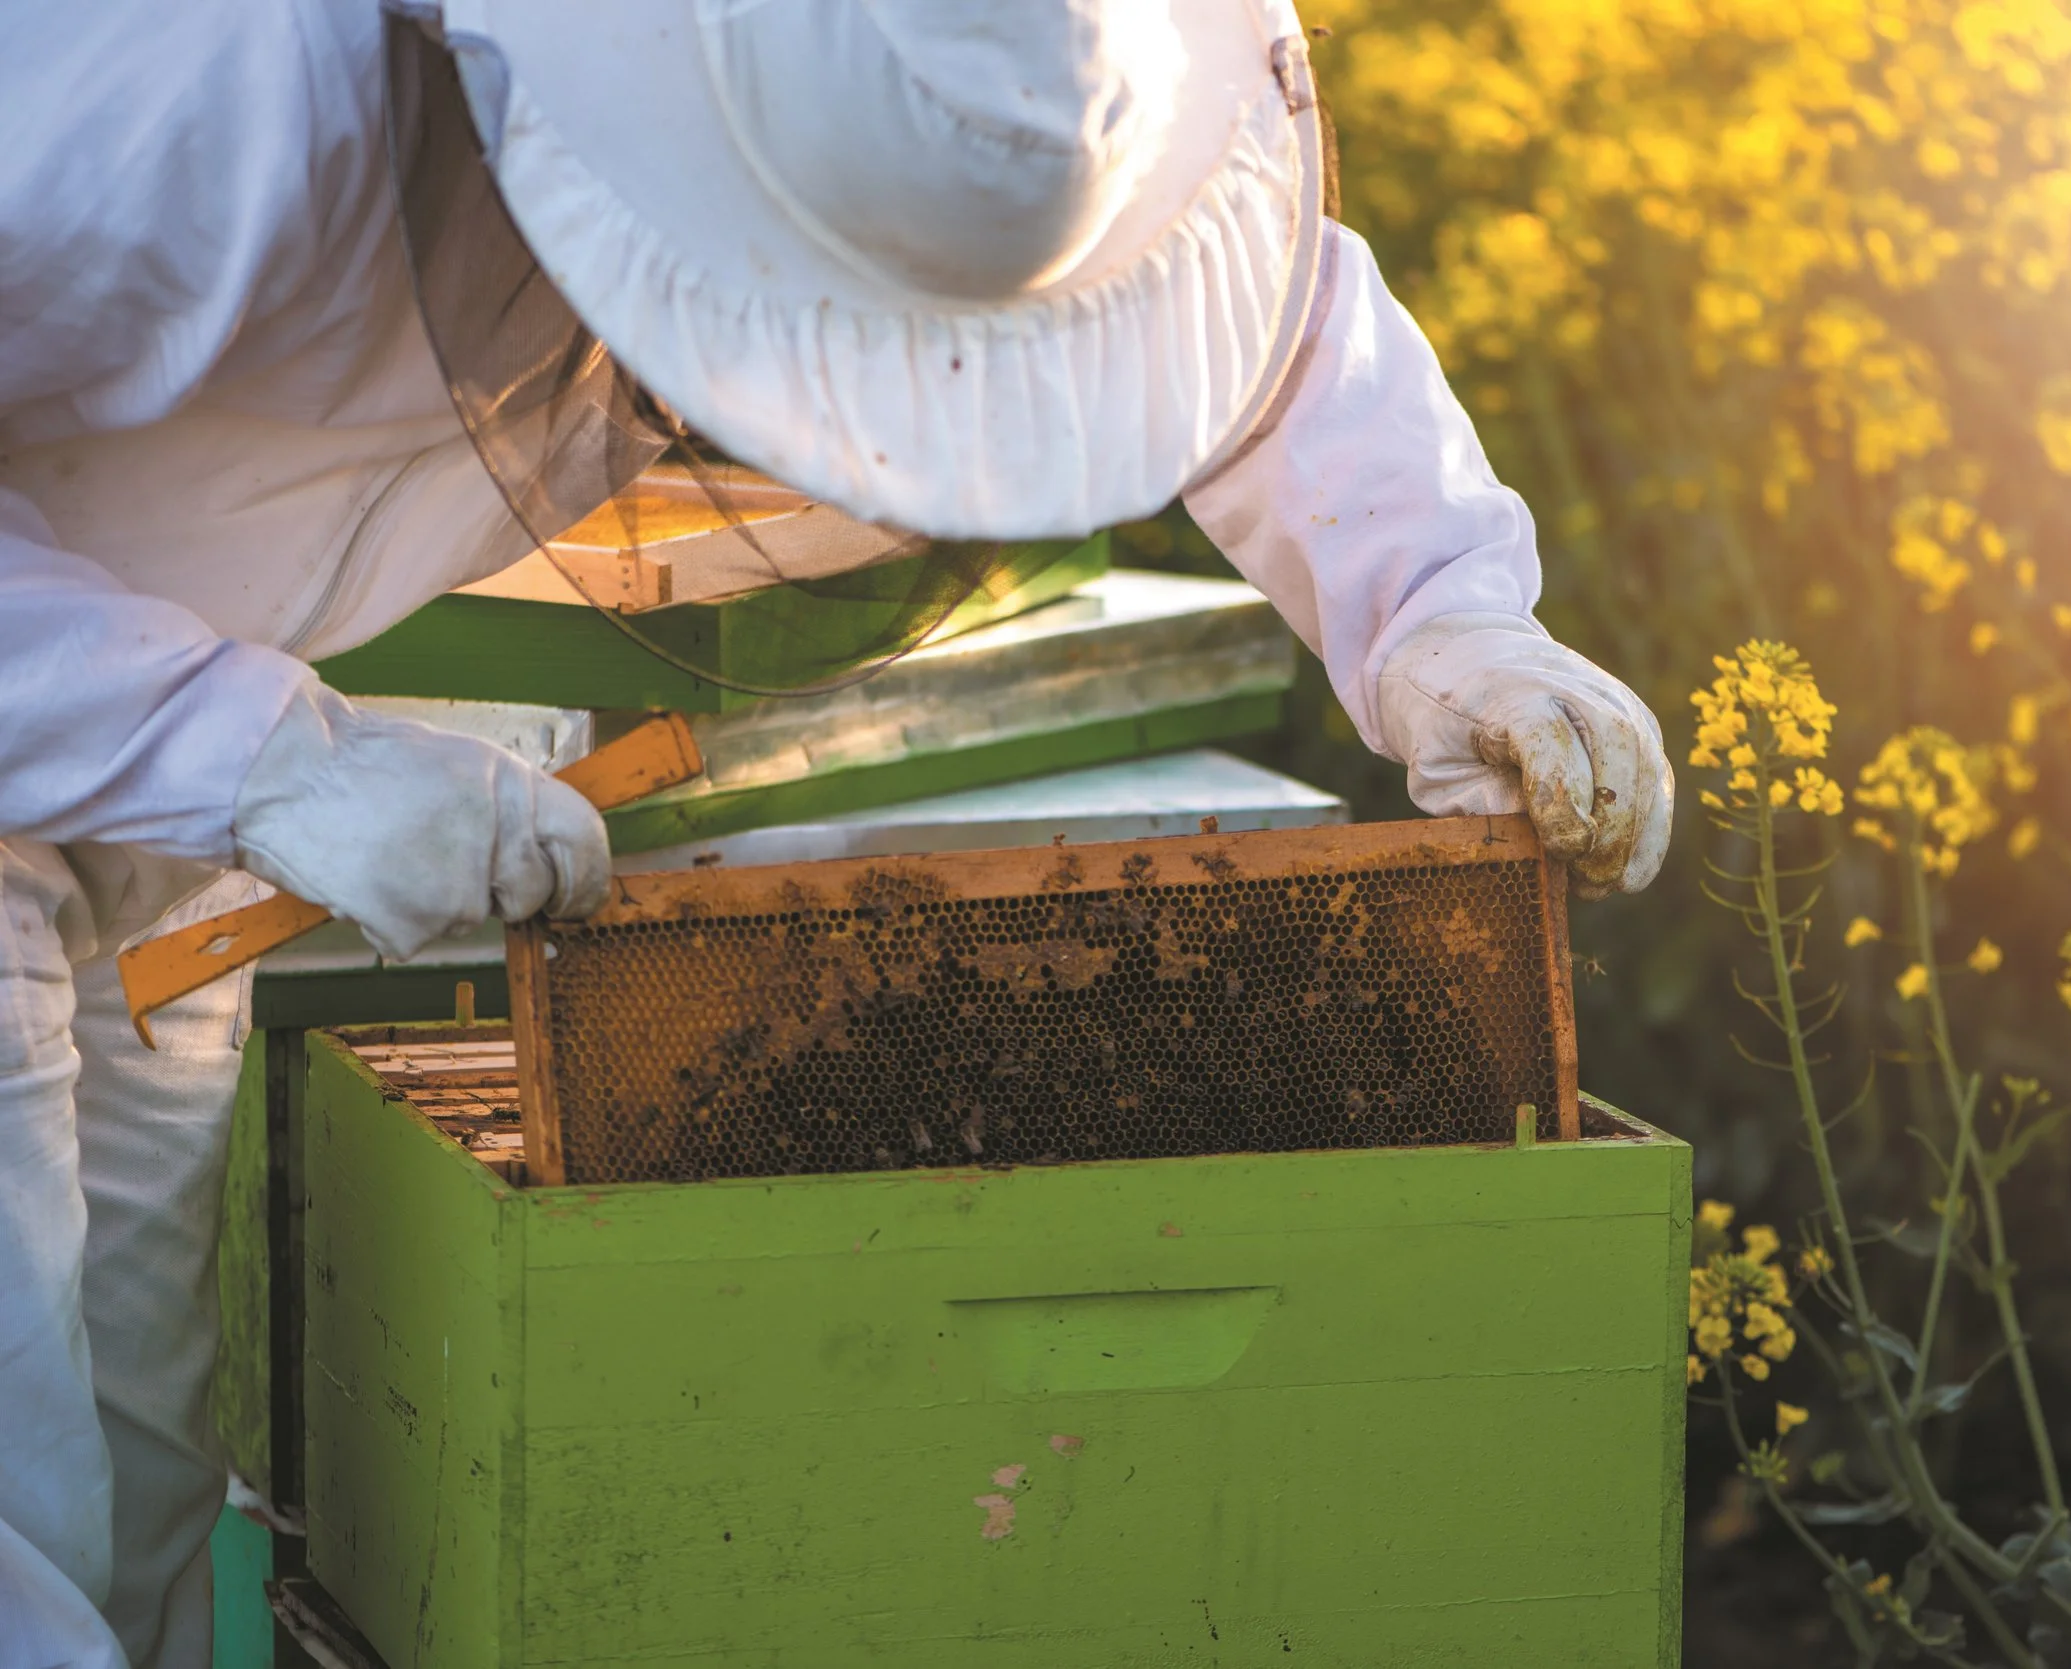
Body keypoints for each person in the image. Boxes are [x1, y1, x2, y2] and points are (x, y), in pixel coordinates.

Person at [0, 1, 1672, 1662]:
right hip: (98, 715)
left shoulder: (946, 83)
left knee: (133, 1521)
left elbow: (1247, 321)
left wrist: (1445, 617)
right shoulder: (218, 88)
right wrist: (266, 760)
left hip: (148, 788)